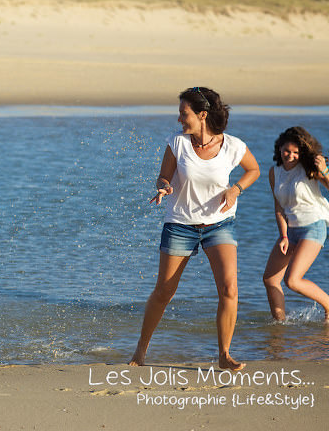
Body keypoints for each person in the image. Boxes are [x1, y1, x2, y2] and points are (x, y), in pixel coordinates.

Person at [128, 87, 260, 371]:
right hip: (179, 225)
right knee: (164, 292)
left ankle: (224, 355)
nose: (179, 119)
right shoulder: (177, 143)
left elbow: (253, 170)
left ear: (202, 115)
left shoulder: (233, 146)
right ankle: (140, 351)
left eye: (183, 113)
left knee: (229, 288)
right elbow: (163, 176)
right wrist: (164, 186)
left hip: (219, 225)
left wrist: (236, 189)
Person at [262, 127, 329, 322]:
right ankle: (280, 325)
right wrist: (283, 235)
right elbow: (279, 208)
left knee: (292, 280)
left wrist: (324, 169)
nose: (290, 156)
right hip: (290, 231)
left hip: (313, 227)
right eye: (286, 151)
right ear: (279, 148)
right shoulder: (274, 172)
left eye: (295, 152)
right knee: (270, 279)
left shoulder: (308, 168)